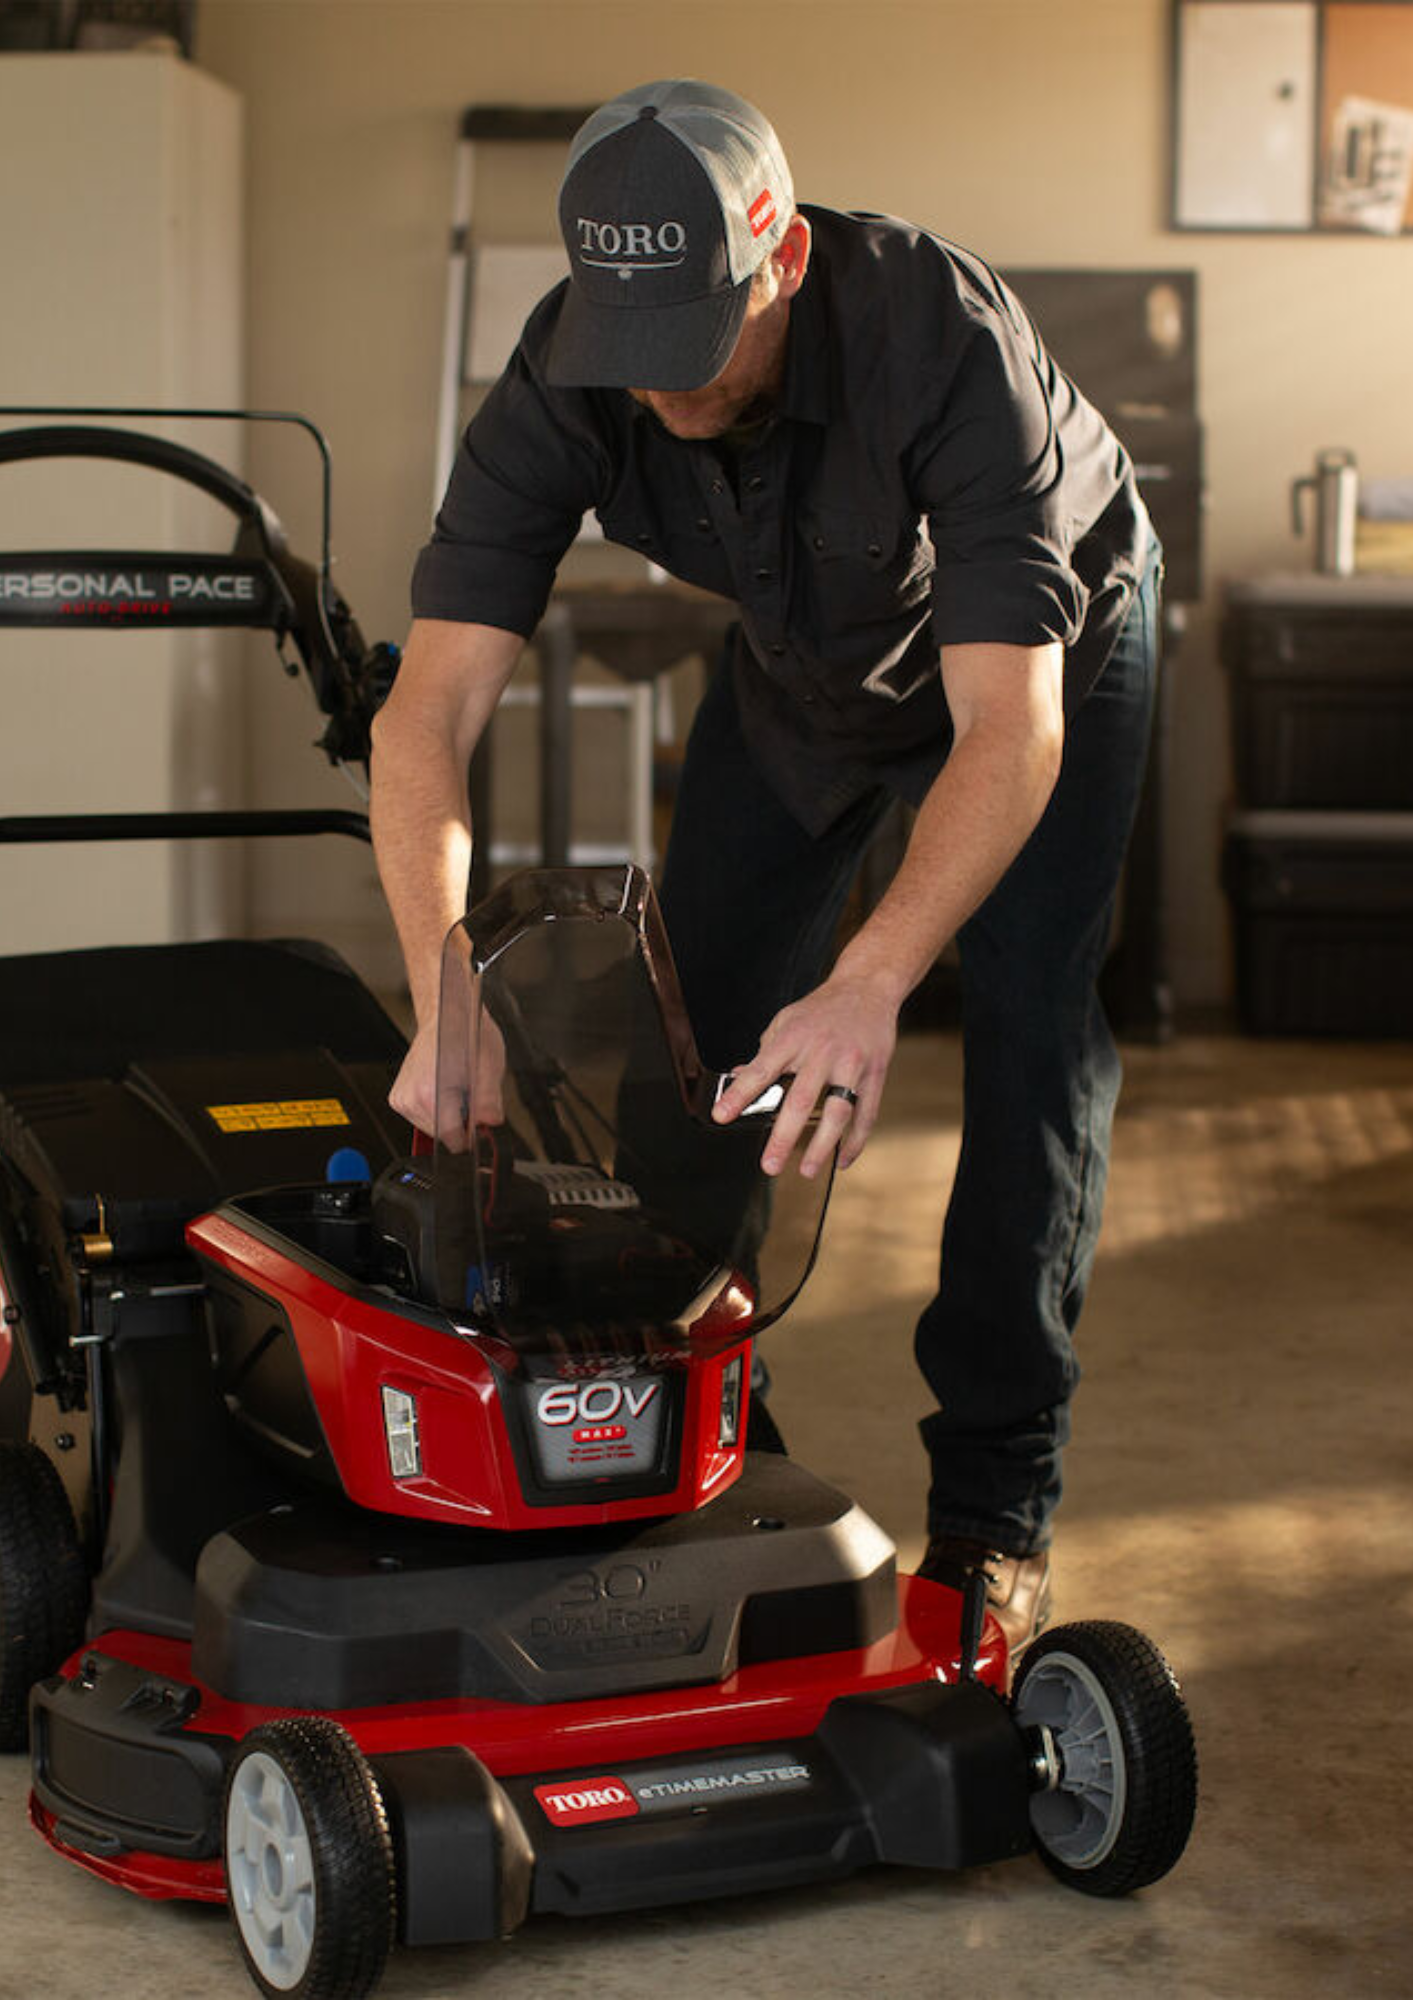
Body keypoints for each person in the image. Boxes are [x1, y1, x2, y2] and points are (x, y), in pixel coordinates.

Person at [367, 78, 1160, 1655]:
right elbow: (424, 716)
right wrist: (440, 984)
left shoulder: (943, 346)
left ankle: (995, 1516)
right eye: (627, 350)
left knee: (1026, 1041)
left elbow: (1009, 729)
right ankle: (721, 1441)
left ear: (780, 255)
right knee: (701, 1034)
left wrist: (870, 981)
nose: (655, 392)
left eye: (691, 346)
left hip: (1033, 681)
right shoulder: (568, 369)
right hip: (803, 674)